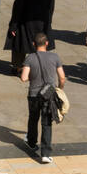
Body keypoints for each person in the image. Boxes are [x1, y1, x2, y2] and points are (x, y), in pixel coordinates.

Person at [19, 32, 65, 164]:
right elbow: (62, 77)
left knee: (33, 119)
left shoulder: (30, 58)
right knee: (47, 123)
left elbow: (23, 78)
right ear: (47, 43)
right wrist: (60, 88)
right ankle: (45, 153)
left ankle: (32, 143)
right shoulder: (55, 57)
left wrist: (31, 76)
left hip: (33, 95)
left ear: (34, 44)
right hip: (49, 95)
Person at [7, 0, 55, 72]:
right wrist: (49, 21)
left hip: (25, 23)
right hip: (42, 22)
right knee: (40, 45)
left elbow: (18, 8)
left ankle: (18, 67)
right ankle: (38, 66)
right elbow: (51, 5)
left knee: (19, 44)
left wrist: (13, 25)